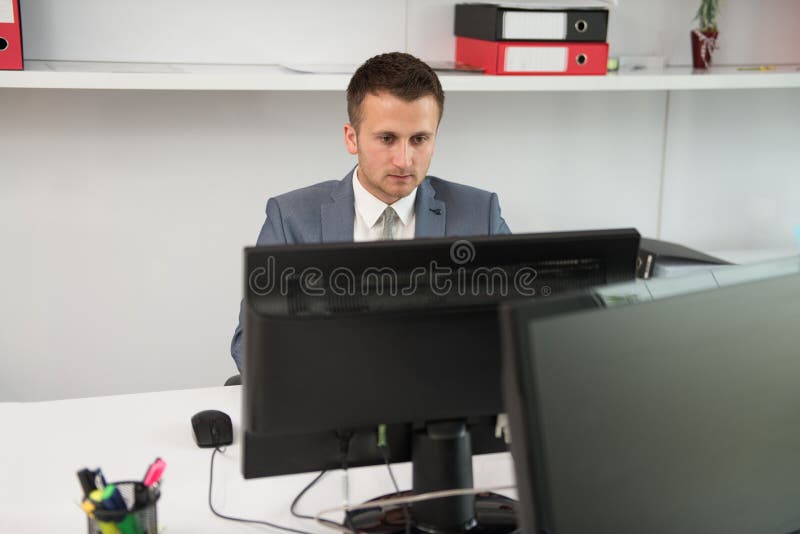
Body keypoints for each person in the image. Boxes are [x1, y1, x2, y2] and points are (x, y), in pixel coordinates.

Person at [230, 52, 510, 370]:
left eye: (419, 139)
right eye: (387, 139)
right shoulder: (291, 219)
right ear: (352, 138)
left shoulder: (480, 215)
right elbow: (250, 343)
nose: (404, 160)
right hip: (333, 401)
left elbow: (515, 332)